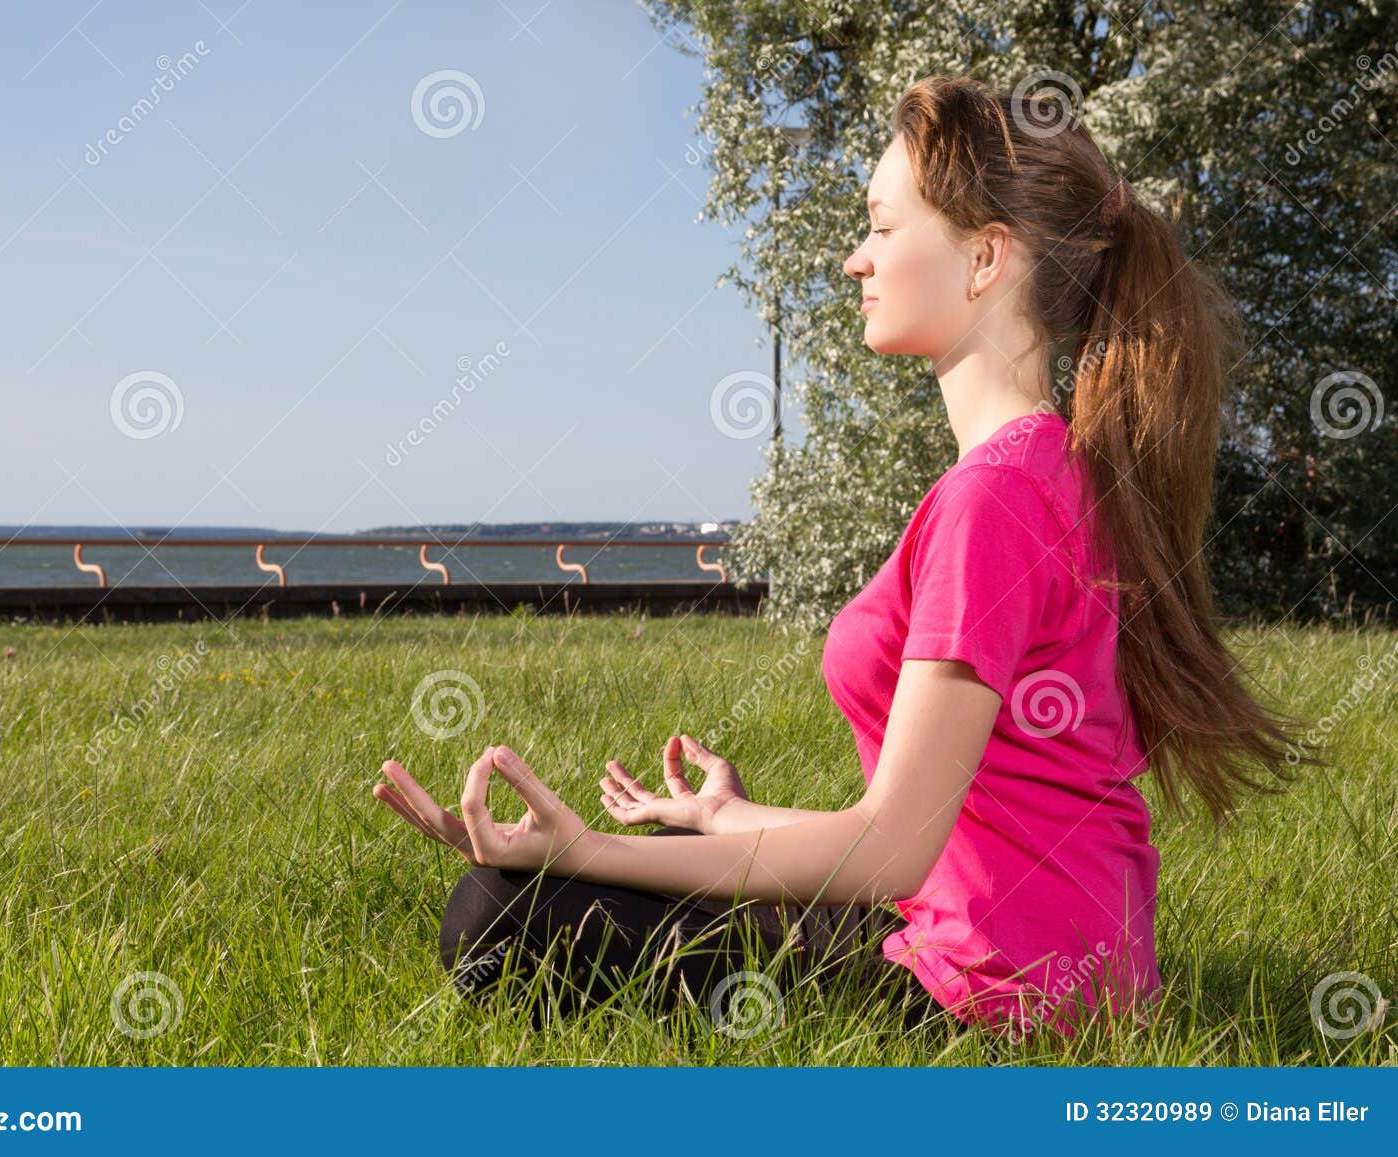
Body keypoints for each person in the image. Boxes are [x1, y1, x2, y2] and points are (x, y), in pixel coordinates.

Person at [371, 74, 1314, 1043]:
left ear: (985, 257)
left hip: (990, 1005)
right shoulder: (1057, 473)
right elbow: (935, 823)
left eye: (881, 227)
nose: (854, 259)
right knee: (617, 862)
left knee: (498, 911)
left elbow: (890, 852)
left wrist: (584, 848)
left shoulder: (995, 498)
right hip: (1048, 968)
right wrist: (728, 816)